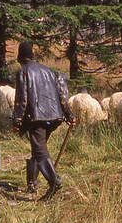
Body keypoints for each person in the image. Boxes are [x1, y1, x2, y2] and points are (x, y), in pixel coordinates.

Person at [11, 41, 75, 199]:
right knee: (38, 148)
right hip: (54, 118)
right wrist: (69, 115)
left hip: (36, 117)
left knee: (40, 151)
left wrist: (17, 120)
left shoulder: (23, 72)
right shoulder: (50, 71)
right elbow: (62, 96)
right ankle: (32, 183)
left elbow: (22, 98)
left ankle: (54, 182)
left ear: (21, 58)